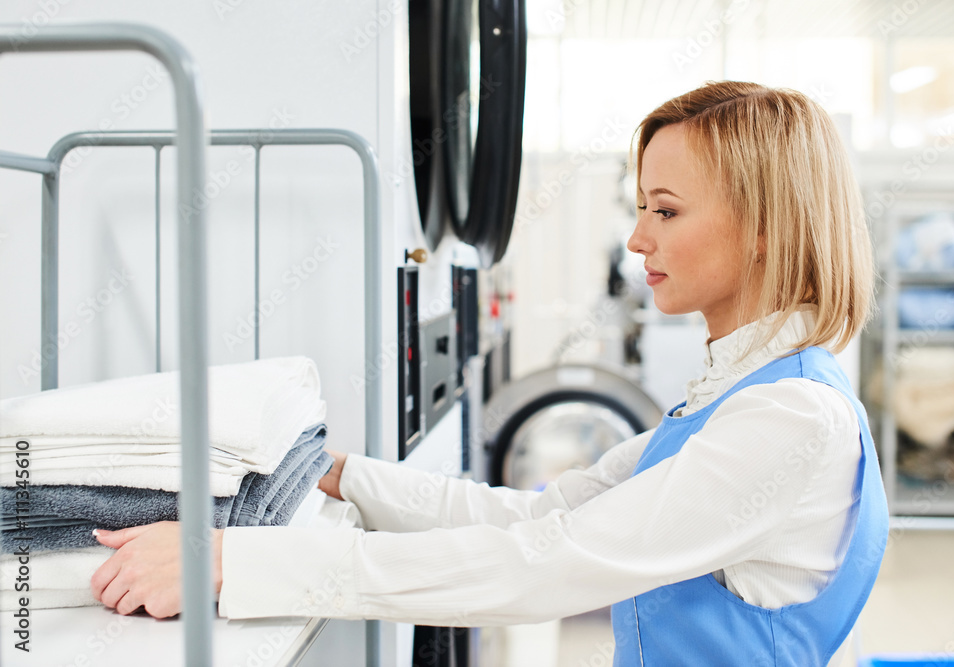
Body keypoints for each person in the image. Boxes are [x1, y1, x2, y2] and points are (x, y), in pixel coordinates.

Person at [90, 80, 889, 666]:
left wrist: (236, 563)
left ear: (763, 229)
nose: (638, 239)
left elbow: (545, 564)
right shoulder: (736, 396)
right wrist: (339, 475)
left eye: (666, 209)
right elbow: (535, 518)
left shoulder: (789, 422)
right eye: (640, 206)